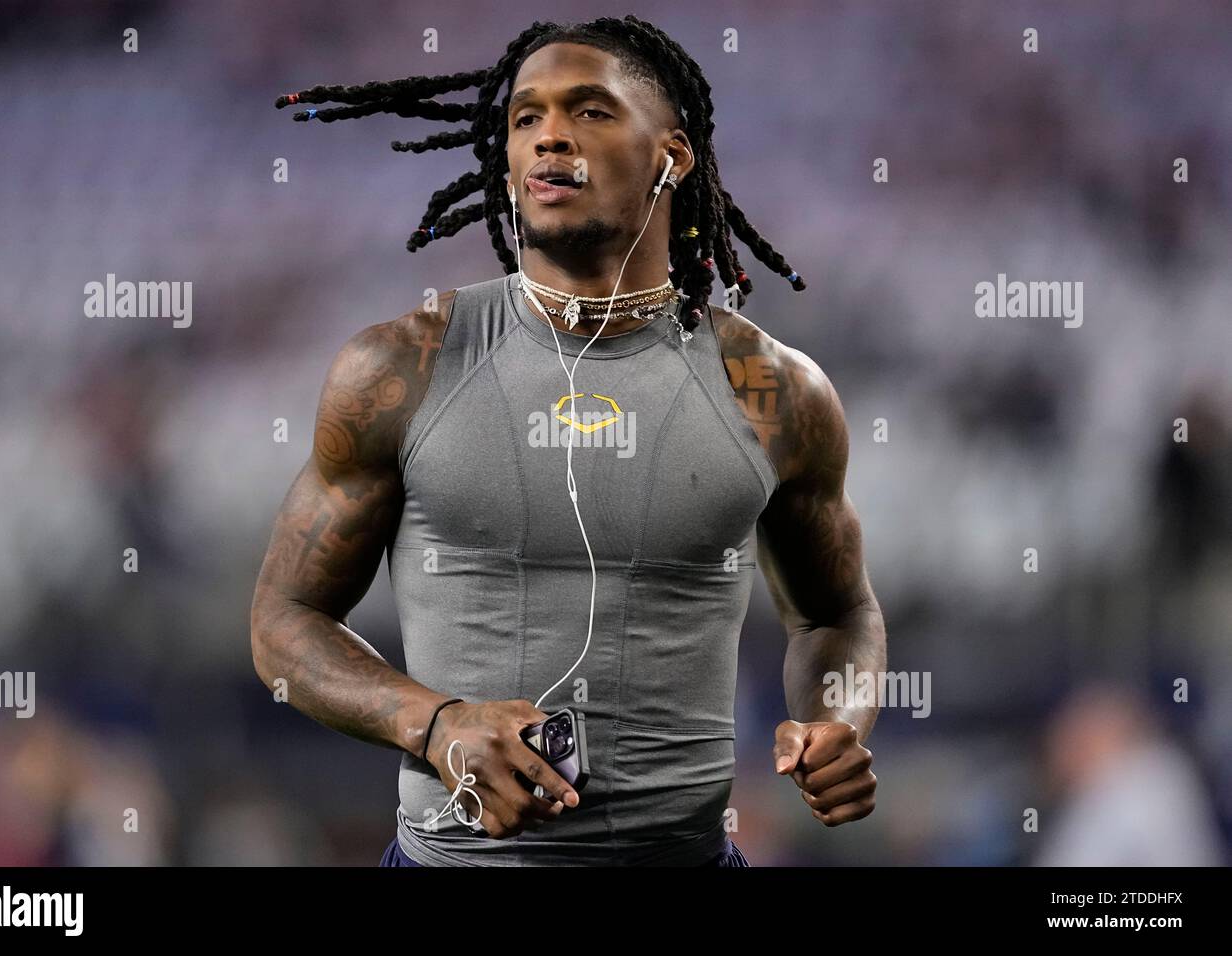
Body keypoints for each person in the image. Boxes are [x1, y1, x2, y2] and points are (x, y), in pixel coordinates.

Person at [251, 16, 886, 866]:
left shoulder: (777, 393)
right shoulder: (401, 367)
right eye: (525, 117)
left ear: (672, 156)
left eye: (590, 111)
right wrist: (434, 724)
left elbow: (836, 613)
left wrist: (836, 724)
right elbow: (284, 621)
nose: (549, 135)